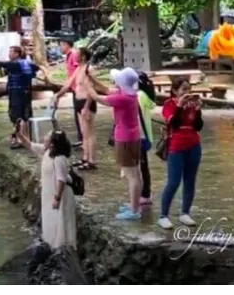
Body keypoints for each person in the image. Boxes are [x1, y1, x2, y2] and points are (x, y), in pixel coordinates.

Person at [90, 67, 143, 220]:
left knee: (131, 175)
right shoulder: (129, 94)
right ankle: (134, 204)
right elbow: (106, 90)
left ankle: (134, 211)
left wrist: (84, 84)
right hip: (132, 137)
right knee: (134, 173)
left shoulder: (123, 98)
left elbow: (97, 97)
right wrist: (91, 79)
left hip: (125, 138)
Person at [16, 120, 76, 249]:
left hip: (60, 195)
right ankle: (51, 244)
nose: (44, 137)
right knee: (50, 220)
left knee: (61, 222)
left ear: (53, 143)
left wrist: (57, 198)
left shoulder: (59, 158)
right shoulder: (47, 151)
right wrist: (19, 134)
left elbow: (61, 179)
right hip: (49, 194)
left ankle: (62, 247)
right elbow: (30, 145)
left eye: (48, 136)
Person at [158, 76, 204, 229]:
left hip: (194, 145)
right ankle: (163, 215)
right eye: (184, 89)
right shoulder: (169, 105)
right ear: (174, 90)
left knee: (190, 180)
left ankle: (185, 213)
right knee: (174, 182)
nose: (187, 92)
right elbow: (175, 124)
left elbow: (198, 126)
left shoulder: (192, 104)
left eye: (189, 88)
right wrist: (179, 106)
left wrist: (198, 110)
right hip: (176, 146)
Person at [50, 48, 98, 170]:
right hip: (78, 101)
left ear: (83, 56)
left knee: (89, 132)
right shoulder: (79, 68)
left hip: (87, 102)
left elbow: (92, 90)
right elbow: (68, 84)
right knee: (83, 132)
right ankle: (85, 157)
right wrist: (58, 95)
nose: (75, 57)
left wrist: (86, 106)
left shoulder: (89, 69)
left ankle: (92, 160)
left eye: (77, 55)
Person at [136, 72, 156, 209]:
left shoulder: (138, 96)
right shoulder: (145, 96)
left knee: (141, 167)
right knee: (143, 166)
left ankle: (145, 194)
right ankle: (145, 193)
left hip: (140, 135)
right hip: (145, 135)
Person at [59, 39, 83, 143]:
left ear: (67, 45)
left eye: (61, 45)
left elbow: (79, 70)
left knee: (80, 114)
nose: (60, 48)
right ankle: (81, 137)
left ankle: (83, 138)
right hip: (74, 88)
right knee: (77, 114)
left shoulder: (73, 54)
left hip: (79, 89)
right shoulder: (68, 56)